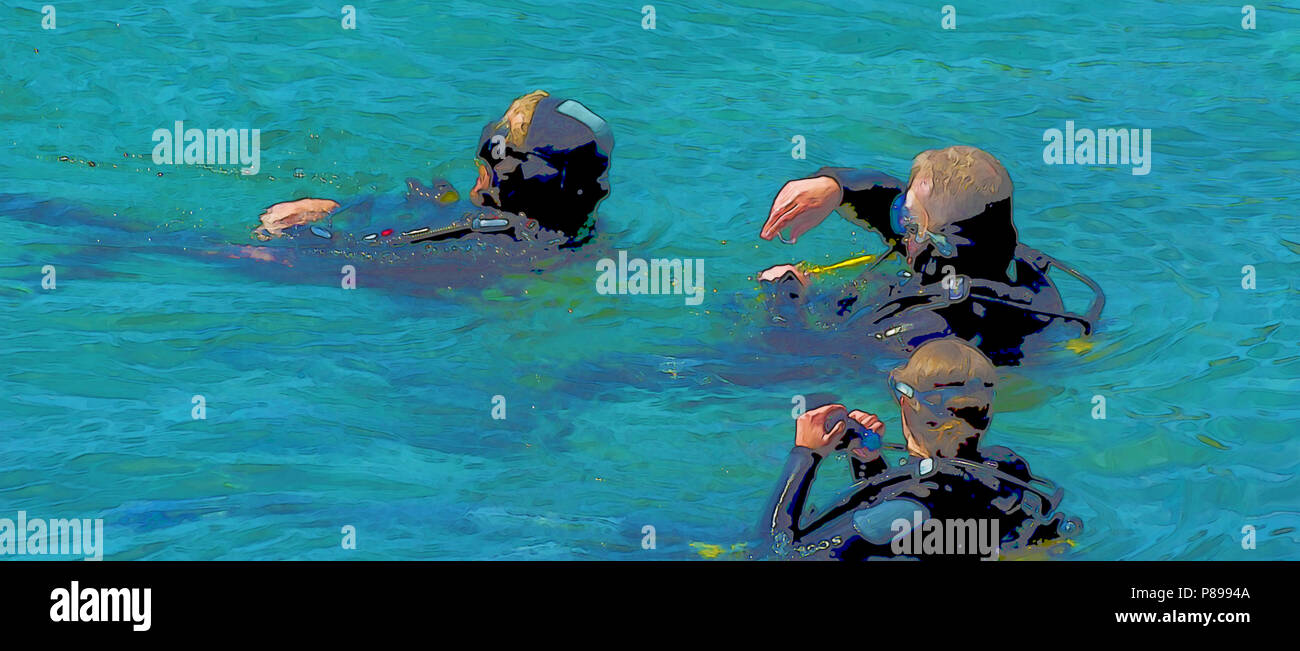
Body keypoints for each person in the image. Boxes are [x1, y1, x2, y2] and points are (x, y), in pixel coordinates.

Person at [757, 146, 1103, 365]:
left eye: (909, 223)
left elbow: (798, 358)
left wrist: (785, 296)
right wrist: (835, 186)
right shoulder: (1015, 266)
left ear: (940, 243)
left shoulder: (924, 328)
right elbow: (893, 202)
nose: (899, 227)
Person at [763, 338, 1081, 561]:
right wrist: (869, 463)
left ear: (906, 403)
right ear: (985, 415)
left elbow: (779, 551)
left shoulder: (907, 509)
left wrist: (805, 456)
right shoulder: (1007, 470)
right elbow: (938, 507)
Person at [249, 90, 613, 259]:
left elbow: (368, 250)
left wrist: (287, 244)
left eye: (484, 169)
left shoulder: (481, 238)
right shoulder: (585, 233)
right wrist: (333, 206)